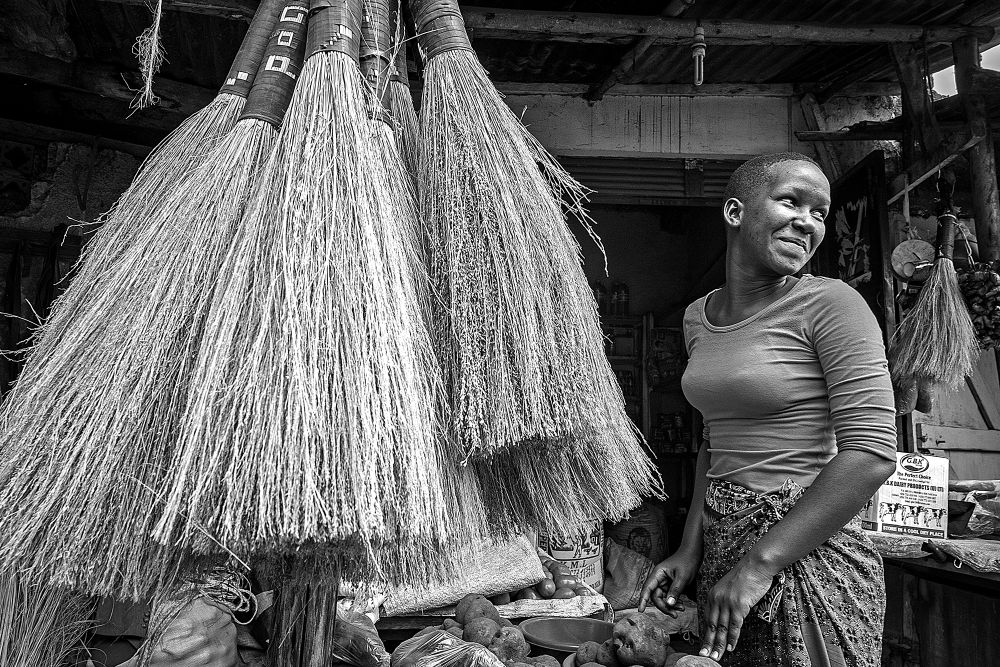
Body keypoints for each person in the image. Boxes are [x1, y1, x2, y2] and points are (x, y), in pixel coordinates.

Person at [639, 153, 897, 666]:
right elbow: (714, 441)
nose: (808, 221)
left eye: (820, 212)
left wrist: (759, 566)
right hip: (724, 549)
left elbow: (871, 454)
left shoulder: (833, 303)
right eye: (791, 201)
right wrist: (691, 549)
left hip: (806, 557)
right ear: (736, 213)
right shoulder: (698, 317)